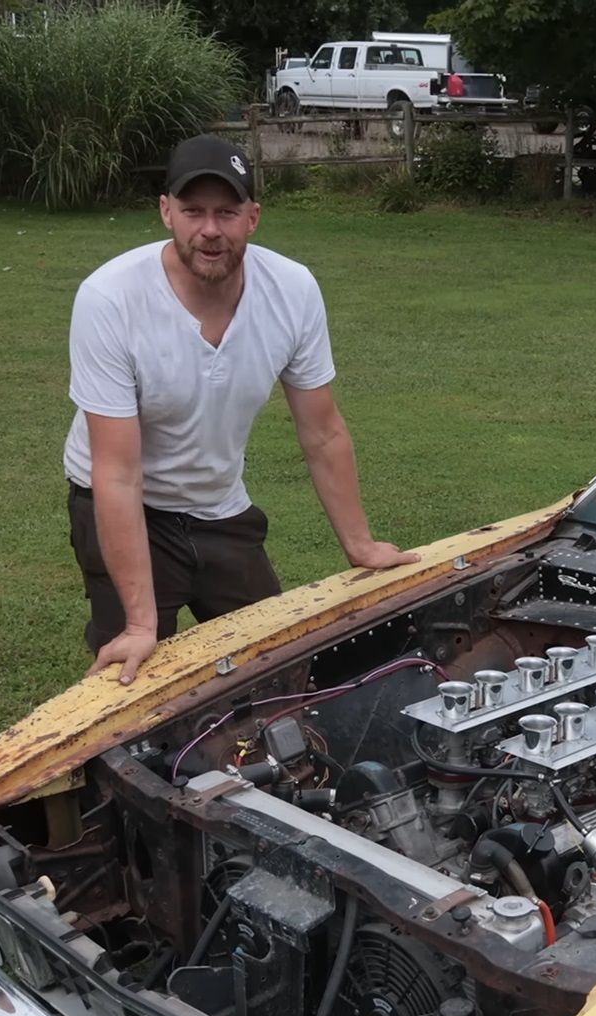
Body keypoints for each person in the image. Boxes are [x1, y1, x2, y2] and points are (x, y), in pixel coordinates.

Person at [65, 133, 416, 685]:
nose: (210, 230)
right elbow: (116, 471)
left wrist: (361, 545)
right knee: (136, 682)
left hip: (219, 505)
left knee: (273, 664)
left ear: (252, 218)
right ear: (165, 213)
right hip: (122, 501)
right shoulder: (109, 299)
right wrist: (139, 623)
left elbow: (322, 432)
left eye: (226, 213)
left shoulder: (293, 290)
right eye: (193, 211)